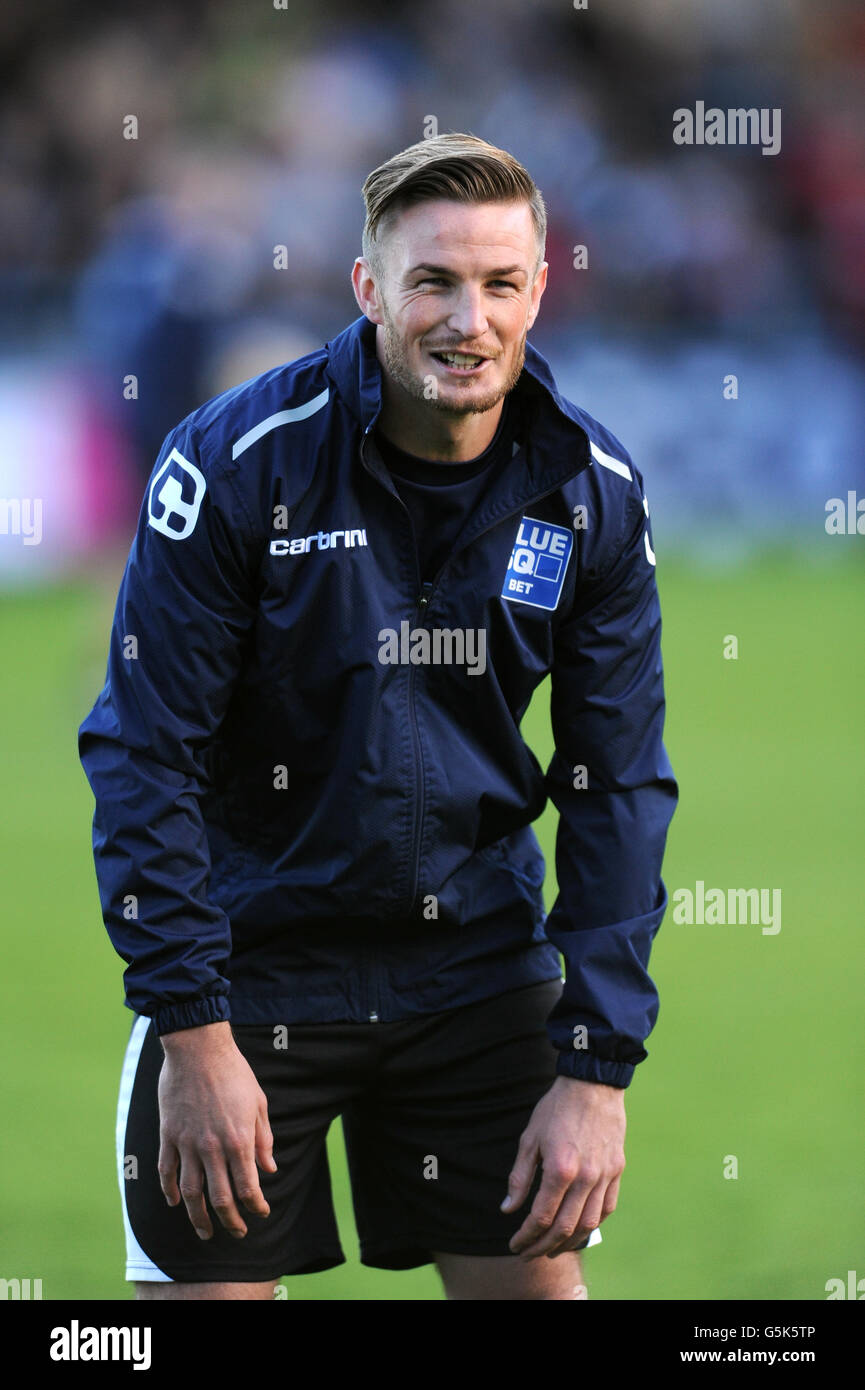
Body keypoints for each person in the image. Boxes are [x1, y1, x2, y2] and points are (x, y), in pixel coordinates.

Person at [78, 133, 677, 1302]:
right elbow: (145, 753)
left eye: (500, 284)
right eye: (432, 283)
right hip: (251, 976)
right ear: (368, 290)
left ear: (538, 289)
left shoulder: (589, 488)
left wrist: (596, 1067)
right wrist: (194, 1033)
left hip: (478, 972)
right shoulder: (233, 464)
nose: (468, 319)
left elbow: (620, 782)